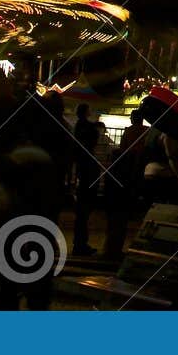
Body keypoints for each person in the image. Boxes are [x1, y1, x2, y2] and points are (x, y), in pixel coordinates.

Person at [71, 104, 103, 256]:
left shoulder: (78, 129)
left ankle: (79, 243)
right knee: (84, 211)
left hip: (82, 174)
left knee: (81, 212)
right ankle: (80, 244)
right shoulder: (88, 154)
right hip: (86, 176)